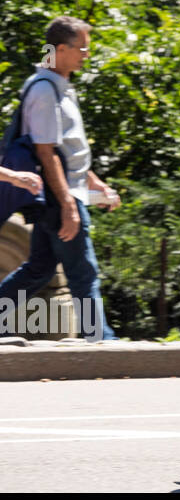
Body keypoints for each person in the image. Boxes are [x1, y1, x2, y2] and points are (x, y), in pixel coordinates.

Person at [0, 17, 121, 341]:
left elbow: (66, 150)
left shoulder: (61, 87)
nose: (86, 54)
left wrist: (95, 182)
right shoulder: (44, 90)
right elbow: (45, 152)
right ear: (62, 49)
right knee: (83, 270)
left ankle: (101, 340)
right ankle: (102, 342)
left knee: (38, 269)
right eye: (82, 48)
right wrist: (68, 203)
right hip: (59, 196)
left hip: (65, 192)